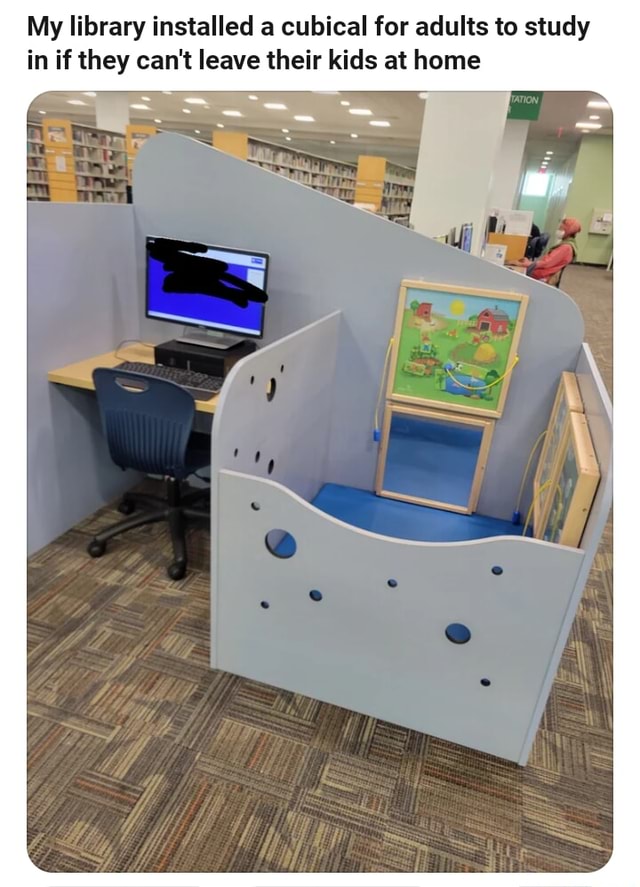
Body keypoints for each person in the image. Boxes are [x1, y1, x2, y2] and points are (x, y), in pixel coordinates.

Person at [517, 218, 581, 282]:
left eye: (561, 229)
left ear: (568, 231)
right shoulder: (567, 244)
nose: (558, 231)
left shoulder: (566, 248)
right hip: (543, 273)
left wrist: (528, 264)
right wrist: (530, 263)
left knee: (516, 273)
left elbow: (546, 263)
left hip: (542, 276)